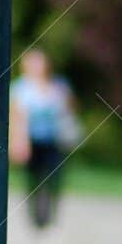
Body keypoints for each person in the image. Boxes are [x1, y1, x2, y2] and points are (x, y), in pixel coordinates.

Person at [9, 48, 78, 229]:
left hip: (55, 140)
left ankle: (50, 214)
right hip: (31, 141)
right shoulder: (20, 88)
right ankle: (36, 216)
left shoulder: (59, 85)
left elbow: (70, 109)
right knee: (32, 179)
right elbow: (16, 118)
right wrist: (17, 142)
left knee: (54, 178)